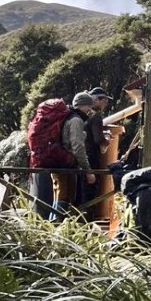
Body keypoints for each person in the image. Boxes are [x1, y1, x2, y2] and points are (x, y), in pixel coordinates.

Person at [52, 92, 98, 220]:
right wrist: (88, 171)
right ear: (84, 105)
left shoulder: (65, 117)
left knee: (59, 195)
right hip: (66, 163)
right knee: (65, 196)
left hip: (55, 161)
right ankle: (58, 226)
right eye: (89, 107)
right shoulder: (76, 120)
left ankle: (53, 226)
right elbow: (78, 148)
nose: (90, 111)